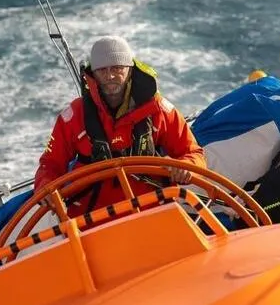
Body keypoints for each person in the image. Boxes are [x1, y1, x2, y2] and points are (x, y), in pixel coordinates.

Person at [34, 35, 206, 216]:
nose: (110, 76)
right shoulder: (74, 116)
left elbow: (194, 153)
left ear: (130, 69)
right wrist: (45, 188)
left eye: (117, 68)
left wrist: (184, 167)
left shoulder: (159, 110)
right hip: (92, 220)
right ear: (92, 74)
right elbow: (50, 164)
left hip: (153, 212)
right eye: (102, 70)